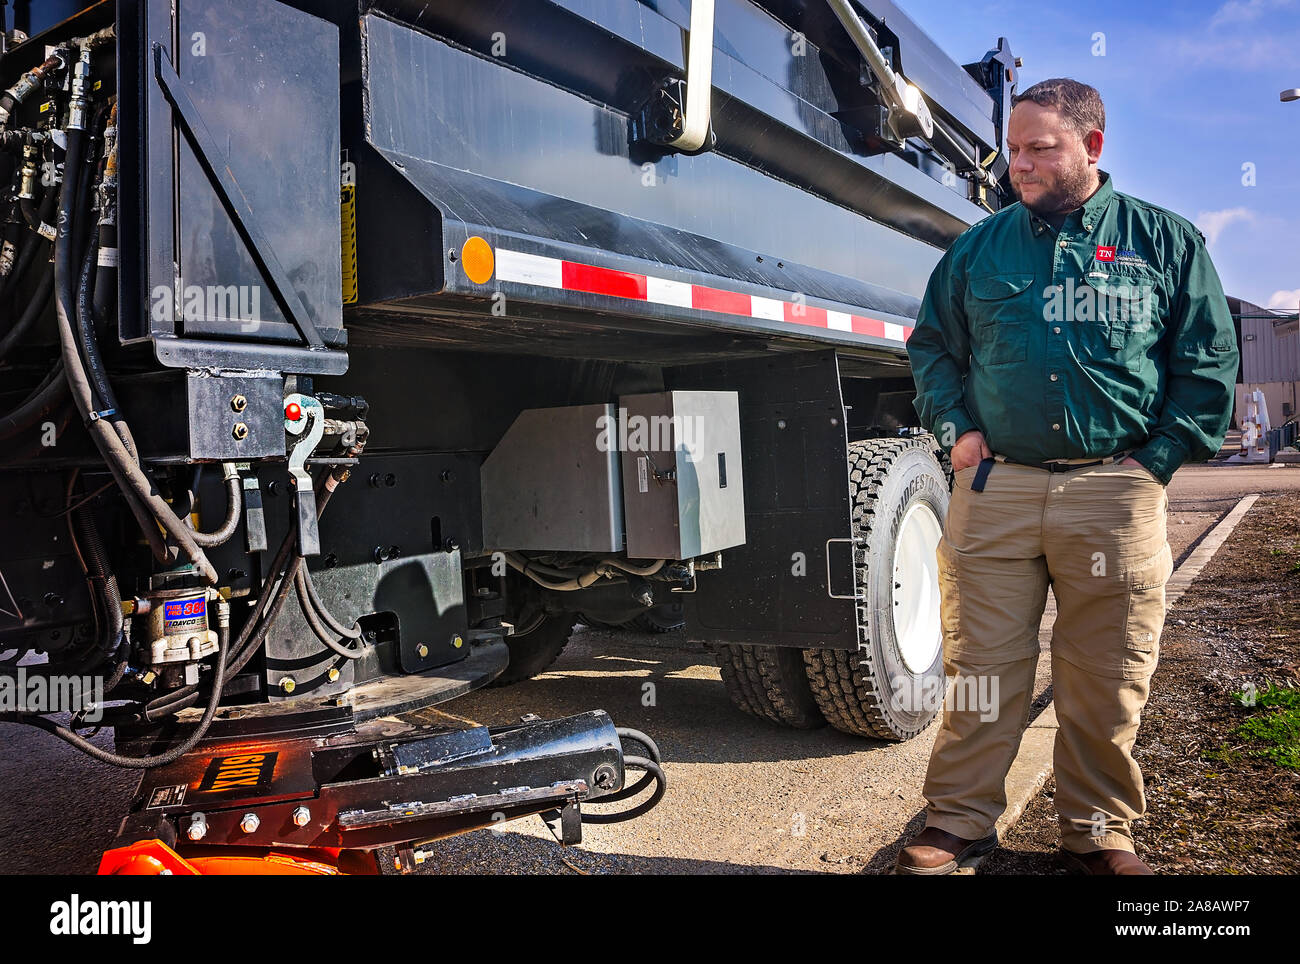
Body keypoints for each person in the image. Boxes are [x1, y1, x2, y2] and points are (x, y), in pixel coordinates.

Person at [898, 78, 1238, 875]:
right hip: (997, 491)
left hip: (1112, 492)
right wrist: (958, 430)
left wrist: (1155, 459)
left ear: (1093, 146)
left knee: (1107, 674)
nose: (1019, 164)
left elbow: (1209, 361)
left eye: (1040, 148)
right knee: (981, 669)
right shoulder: (979, 249)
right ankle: (958, 820)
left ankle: (1096, 832)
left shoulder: (1165, 242)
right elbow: (931, 348)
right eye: (1013, 149)